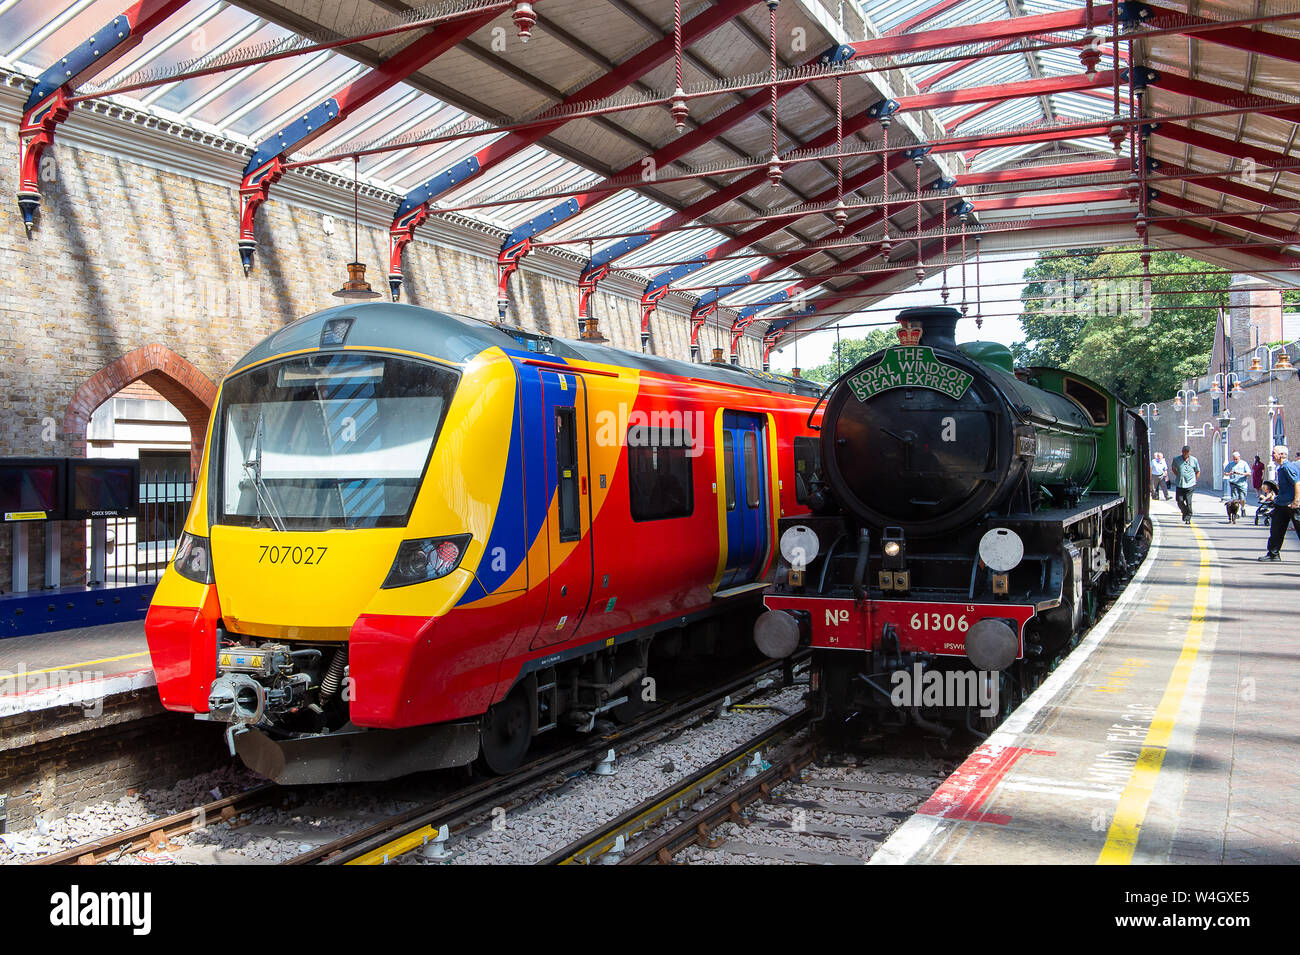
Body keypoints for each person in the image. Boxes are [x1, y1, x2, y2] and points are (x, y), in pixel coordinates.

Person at [1259, 445, 1300, 560]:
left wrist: (1296, 501)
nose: (1272, 455)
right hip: (1281, 504)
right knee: (1276, 529)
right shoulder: (1282, 468)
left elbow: (1297, 483)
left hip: (1291, 505)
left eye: (1274, 453)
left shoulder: (1288, 467)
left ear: (1282, 455)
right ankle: (1273, 554)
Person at [1173, 445, 1200, 524]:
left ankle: (1188, 517)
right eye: (1184, 452)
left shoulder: (1194, 460)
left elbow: (1197, 471)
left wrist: (1195, 480)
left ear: (1189, 452)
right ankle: (1185, 512)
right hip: (1180, 484)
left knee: (1188, 501)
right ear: (1182, 452)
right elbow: (1173, 468)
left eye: (1187, 453)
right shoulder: (1176, 459)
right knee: (1179, 501)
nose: (1185, 454)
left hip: (1190, 484)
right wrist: (1178, 475)